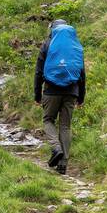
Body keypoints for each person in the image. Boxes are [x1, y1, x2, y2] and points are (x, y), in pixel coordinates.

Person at [33, 19, 85, 175]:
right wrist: (81, 96)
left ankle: (56, 148)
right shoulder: (75, 46)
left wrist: (37, 94)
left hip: (51, 90)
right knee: (65, 126)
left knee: (48, 120)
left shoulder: (47, 44)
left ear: (52, 29)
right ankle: (63, 164)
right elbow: (82, 74)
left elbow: (38, 72)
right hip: (71, 91)